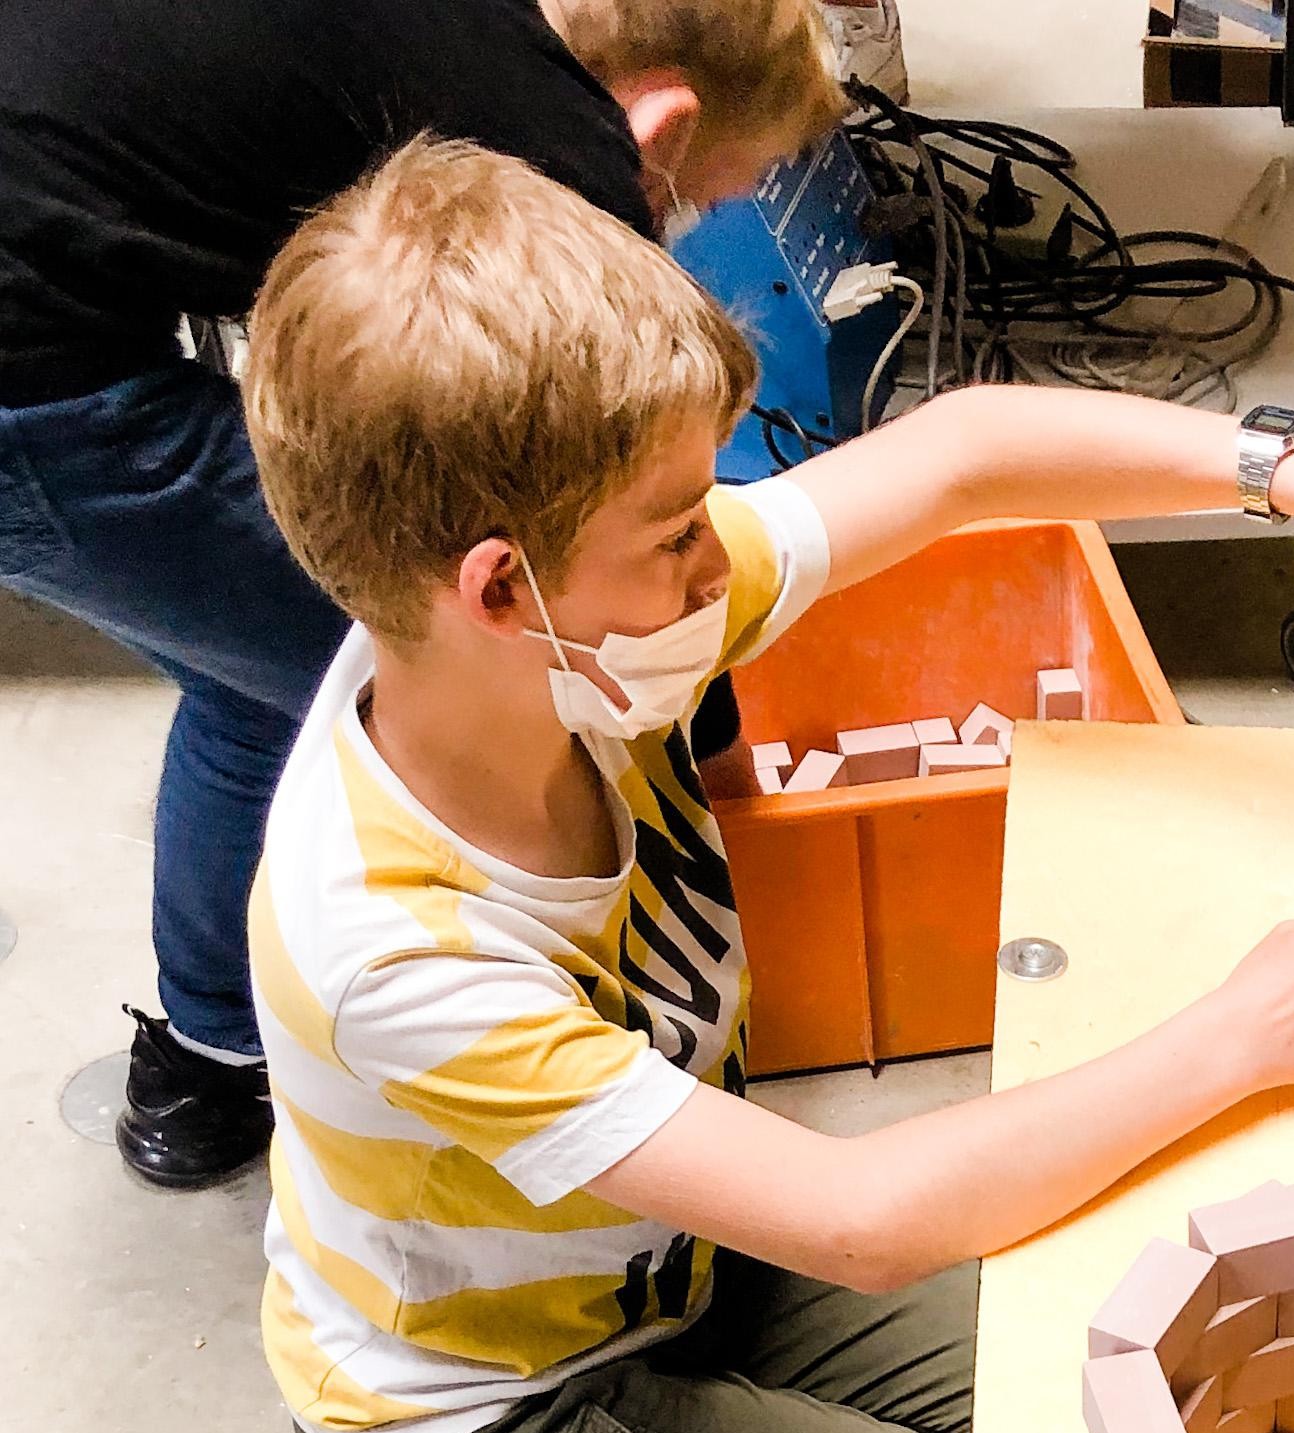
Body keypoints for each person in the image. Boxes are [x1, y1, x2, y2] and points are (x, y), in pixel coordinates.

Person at [237, 139, 1294, 1433]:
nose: (717, 558)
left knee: (1147, 1368)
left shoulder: (596, 633)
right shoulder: (393, 942)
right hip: (509, 1400)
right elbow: (862, 1221)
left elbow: (958, 455)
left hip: (677, 1258)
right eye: (673, 528)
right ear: (501, 587)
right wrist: (1244, 1028)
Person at [0, 0, 844, 1191]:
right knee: (404, 657)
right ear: (663, 123)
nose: (685, 223)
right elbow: (595, 528)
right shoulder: (556, 171)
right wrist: (722, 778)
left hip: (55, 257)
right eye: (708, 194)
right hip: (32, 385)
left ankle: (204, 1048)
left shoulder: (470, 44)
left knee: (255, 668)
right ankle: (496, 1038)